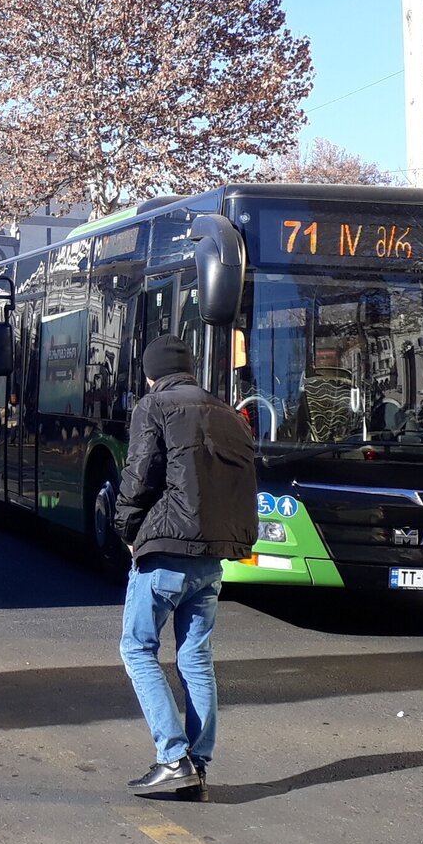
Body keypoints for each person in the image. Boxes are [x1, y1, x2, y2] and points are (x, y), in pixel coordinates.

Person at [113, 334, 258, 799]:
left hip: (166, 549)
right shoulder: (229, 414)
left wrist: (126, 529)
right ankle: (197, 764)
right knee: (195, 656)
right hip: (212, 558)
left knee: (137, 649)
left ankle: (172, 757)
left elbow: (139, 475)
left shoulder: (152, 406)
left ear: (150, 371)